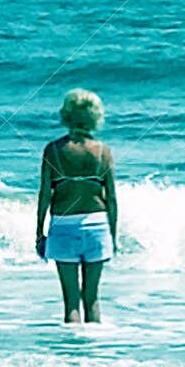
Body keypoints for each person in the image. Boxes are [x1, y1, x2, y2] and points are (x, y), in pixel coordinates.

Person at [36, 89, 117, 323]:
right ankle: (95, 356)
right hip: (97, 227)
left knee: (71, 302)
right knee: (92, 299)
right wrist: (113, 234)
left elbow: (44, 195)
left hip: (63, 226)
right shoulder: (103, 152)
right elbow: (111, 198)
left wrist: (39, 232)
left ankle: (72, 357)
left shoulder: (53, 150)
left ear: (66, 115)